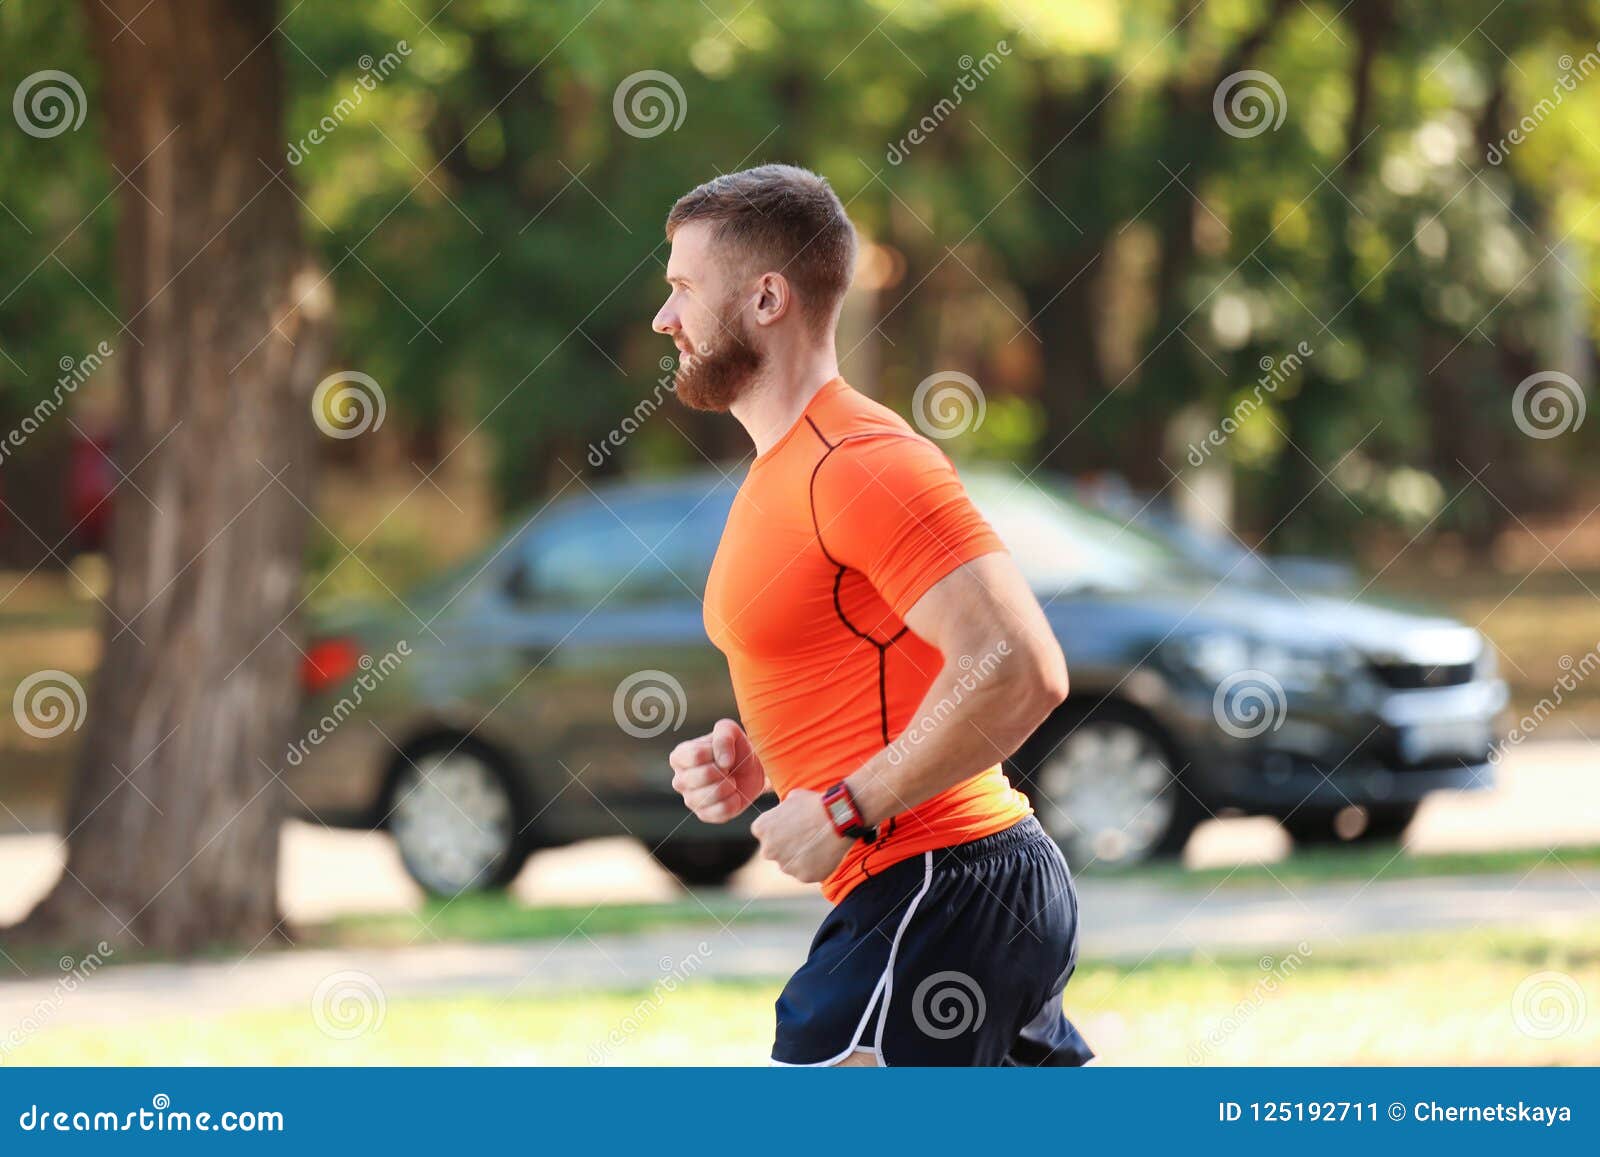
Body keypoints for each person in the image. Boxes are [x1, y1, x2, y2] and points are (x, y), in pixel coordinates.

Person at [654, 164, 1094, 1067]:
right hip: (948, 890)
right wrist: (768, 764)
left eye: (682, 290)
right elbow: (879, 667)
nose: (665, 320)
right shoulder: (782, 468)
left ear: (766, 297)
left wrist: (847, 805)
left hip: (941, 883)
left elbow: (1020, 664)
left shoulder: (858, 460)